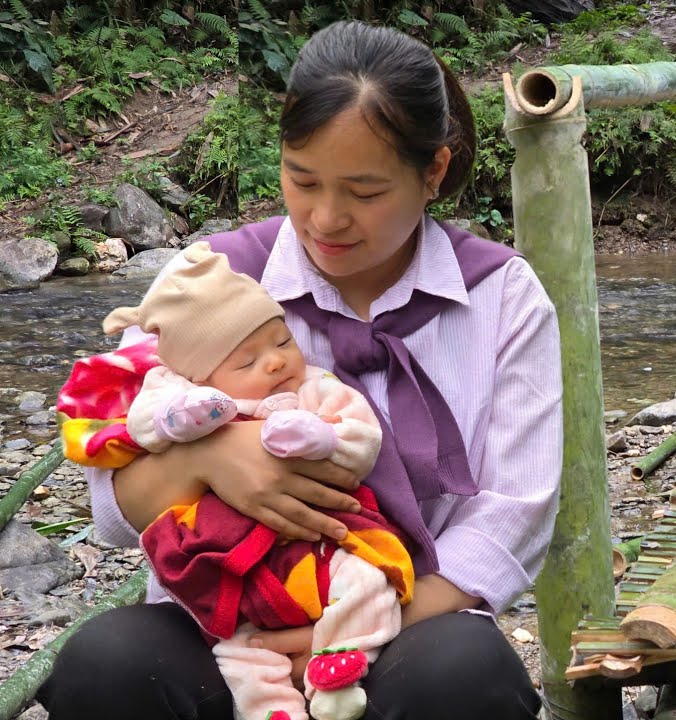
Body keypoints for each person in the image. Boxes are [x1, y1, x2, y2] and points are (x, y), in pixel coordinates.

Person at [38, 19, 560, 720]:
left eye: (365, 192)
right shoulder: (212, 281)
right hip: (227, 621)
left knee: (465, 674)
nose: (325, 217)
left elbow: (514, 512)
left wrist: (349, 630)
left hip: (408, 619)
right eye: (301, 179)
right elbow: (113, 503)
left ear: (433, 171)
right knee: (107, 663)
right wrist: (214, 459)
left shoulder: (501, 296)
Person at [58, 241, 415, 720]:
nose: (274, 362)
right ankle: (271, 711)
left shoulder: (314, 387)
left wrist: (321, 438)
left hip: (322, 550)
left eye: (282, 342)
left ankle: (338, 665)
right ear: (199, 376)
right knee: (237, 643)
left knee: (368, 582)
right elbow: (142, 430)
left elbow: (358, 437)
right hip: (231, 563)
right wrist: (191, 436)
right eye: (246, 362)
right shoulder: (179, 389)